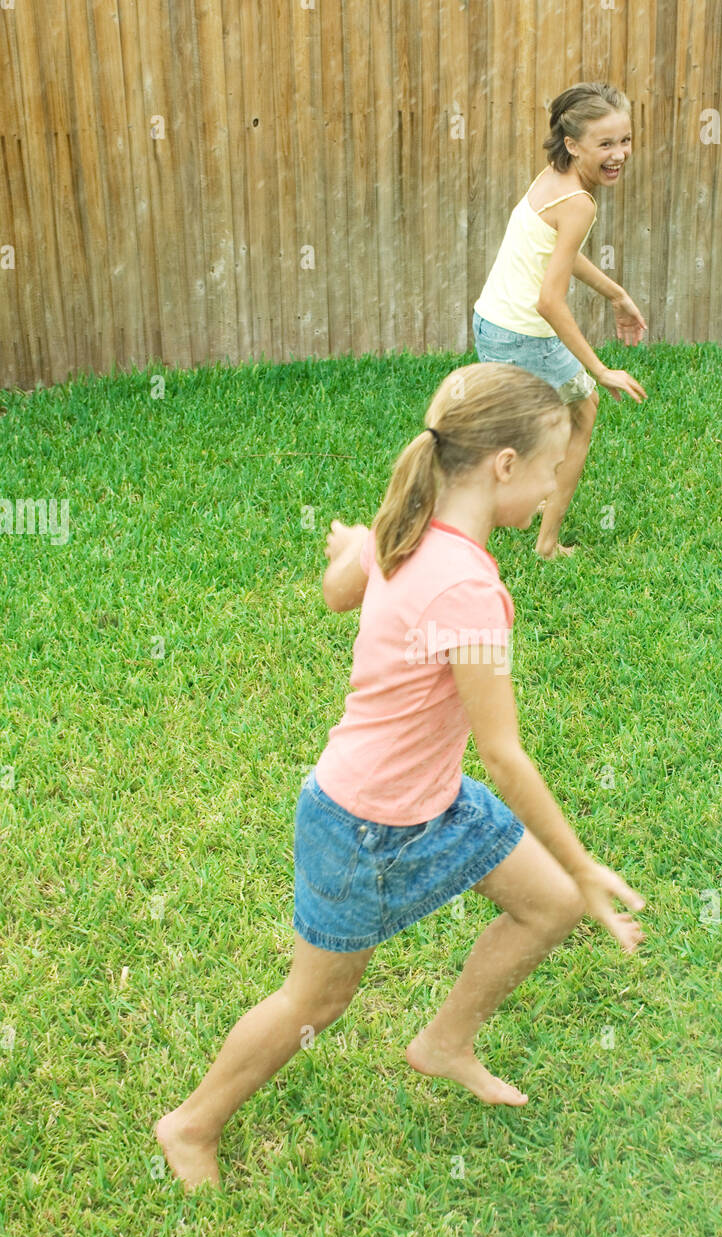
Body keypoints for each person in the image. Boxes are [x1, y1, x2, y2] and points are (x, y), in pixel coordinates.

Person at [155, 363, 647, 1191]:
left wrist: (356, 550)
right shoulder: (467, 589)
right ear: (501, 465)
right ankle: (191, 1123)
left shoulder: (407, 526)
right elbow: (504, 755)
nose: (558, 480)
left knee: (547, 904)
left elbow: (336, 591)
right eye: (551, 465)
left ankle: (444, 1042)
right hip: (364, 825)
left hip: (434, 802)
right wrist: (586, 860)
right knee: (315, 1003)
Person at [473, 81, 648, 558]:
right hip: (523, 335)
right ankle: (545, 544)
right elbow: (550, 301)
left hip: (490, 321)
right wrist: (600, 368)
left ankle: (505, 497)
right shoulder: (579, 203)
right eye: (605, 144)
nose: (619, 154)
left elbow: (558, 254)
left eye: (625, 140)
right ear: (573, 144)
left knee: (527, 428)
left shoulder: (553, 177)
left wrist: (616, 294)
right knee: (584, 408)